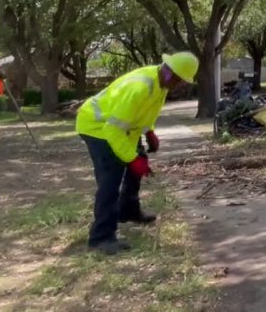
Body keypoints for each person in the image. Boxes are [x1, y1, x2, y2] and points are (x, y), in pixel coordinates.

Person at [75, 52, 199, 255]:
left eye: (183, 81)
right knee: (111, 178)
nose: (180, 85)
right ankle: (101, 237)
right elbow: (112, 131)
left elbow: (145, 112)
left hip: (119, 129)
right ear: (168, 72)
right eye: (179, 79)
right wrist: (131, 159)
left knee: (139, 161)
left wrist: (149, 131)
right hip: (96, 127)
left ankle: (129, 210)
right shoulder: (140, 87)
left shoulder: (161, 84)